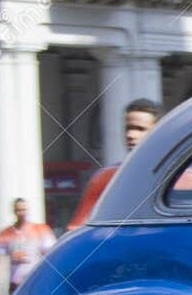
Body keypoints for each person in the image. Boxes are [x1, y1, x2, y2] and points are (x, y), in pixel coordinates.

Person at [67, 98, 160, 229]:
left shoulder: (184, 178)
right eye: (128, 128)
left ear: (157, 131)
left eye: (140, 129)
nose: (130, 135)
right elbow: (77, 229)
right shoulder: (105, 178)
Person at [0, 198, 55, 295]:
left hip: (35, 283)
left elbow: (50, 256)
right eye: (18, 210)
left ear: (28, 210)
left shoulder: (41, 229)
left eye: (24, 209)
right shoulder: (3, 234)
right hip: (15, 285)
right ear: (14, 211)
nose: (22, 213)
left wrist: (50, 279)